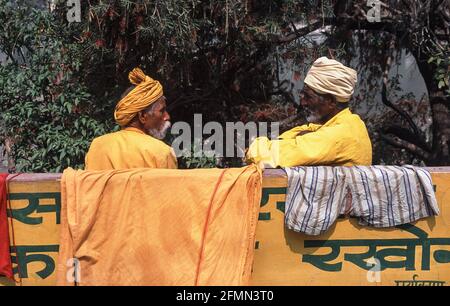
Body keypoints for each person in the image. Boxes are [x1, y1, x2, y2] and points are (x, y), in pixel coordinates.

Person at [246, 57, 372, 168]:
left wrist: (255, 146)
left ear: (330, 101)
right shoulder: (346, 124)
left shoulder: (339, 135)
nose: (303, 103)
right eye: (303, 95)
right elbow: (286, 140)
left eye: (308, 97)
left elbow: (269, 157)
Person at [85, 68, 177, 170]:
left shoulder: (97, 146)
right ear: (142, 116)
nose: (167, 116)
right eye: (162, 111)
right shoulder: (163, 153)